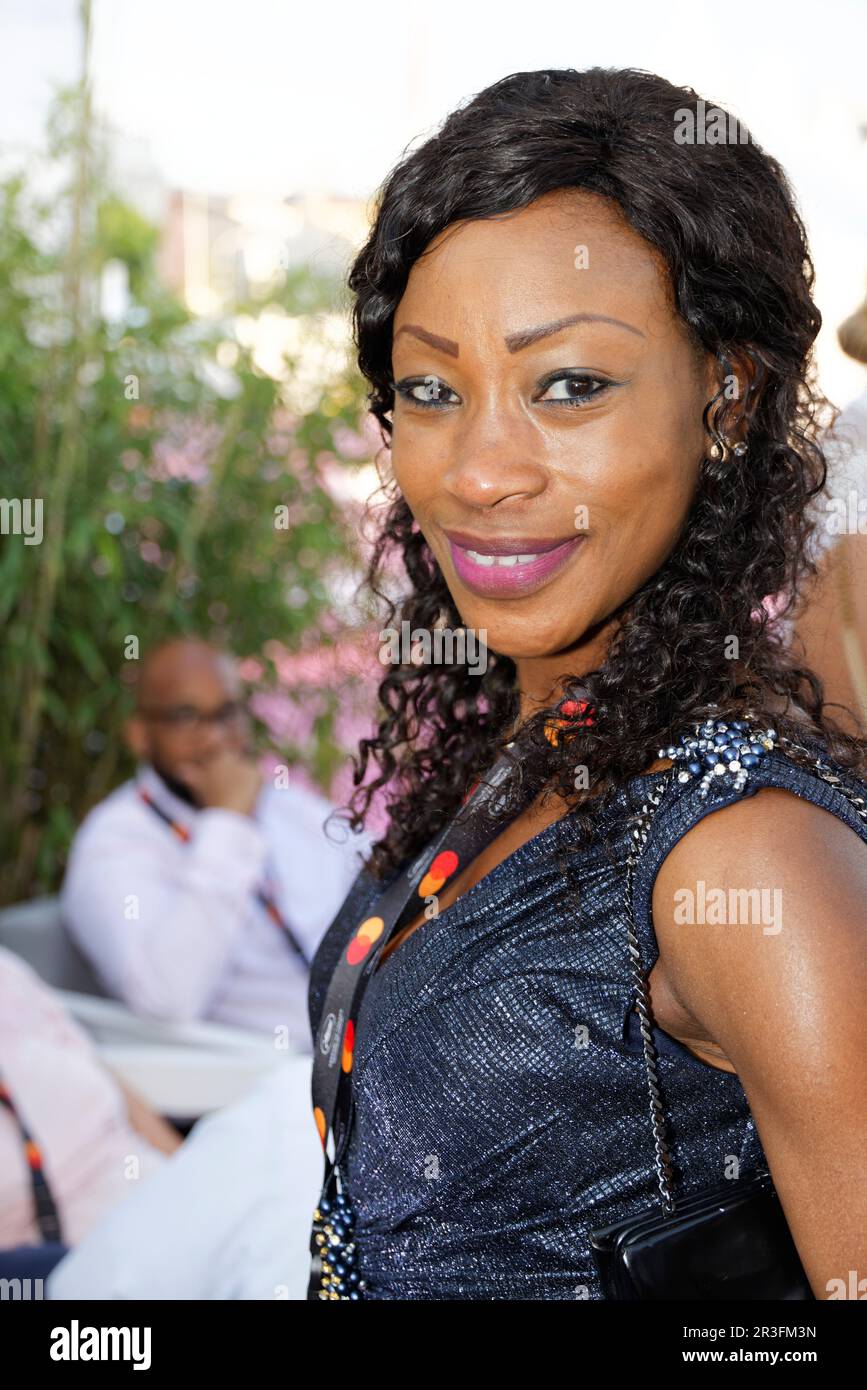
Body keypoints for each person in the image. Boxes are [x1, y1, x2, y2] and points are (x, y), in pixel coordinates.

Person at [305, 68, 867, 1300]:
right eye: (433, 390)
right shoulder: (525, 757)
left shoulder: (742, 858)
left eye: (570, 385)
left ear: (729, 397)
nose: (483, 470)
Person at [62, 638, 370, 1048]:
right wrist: (227, 822)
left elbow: (378, 879)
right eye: (186, 717)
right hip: (248, 1079)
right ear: (139, 735)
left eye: (226, 714)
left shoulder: (288, 809)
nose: (213, 739)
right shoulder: (116, 840)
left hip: (361, 1051)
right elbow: (167, 999)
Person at [0, 948, 179, 1260]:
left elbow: (112, 1086)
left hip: (156, 1203)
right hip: (58, 1264)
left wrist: (194, 1178)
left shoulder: (7, 974)